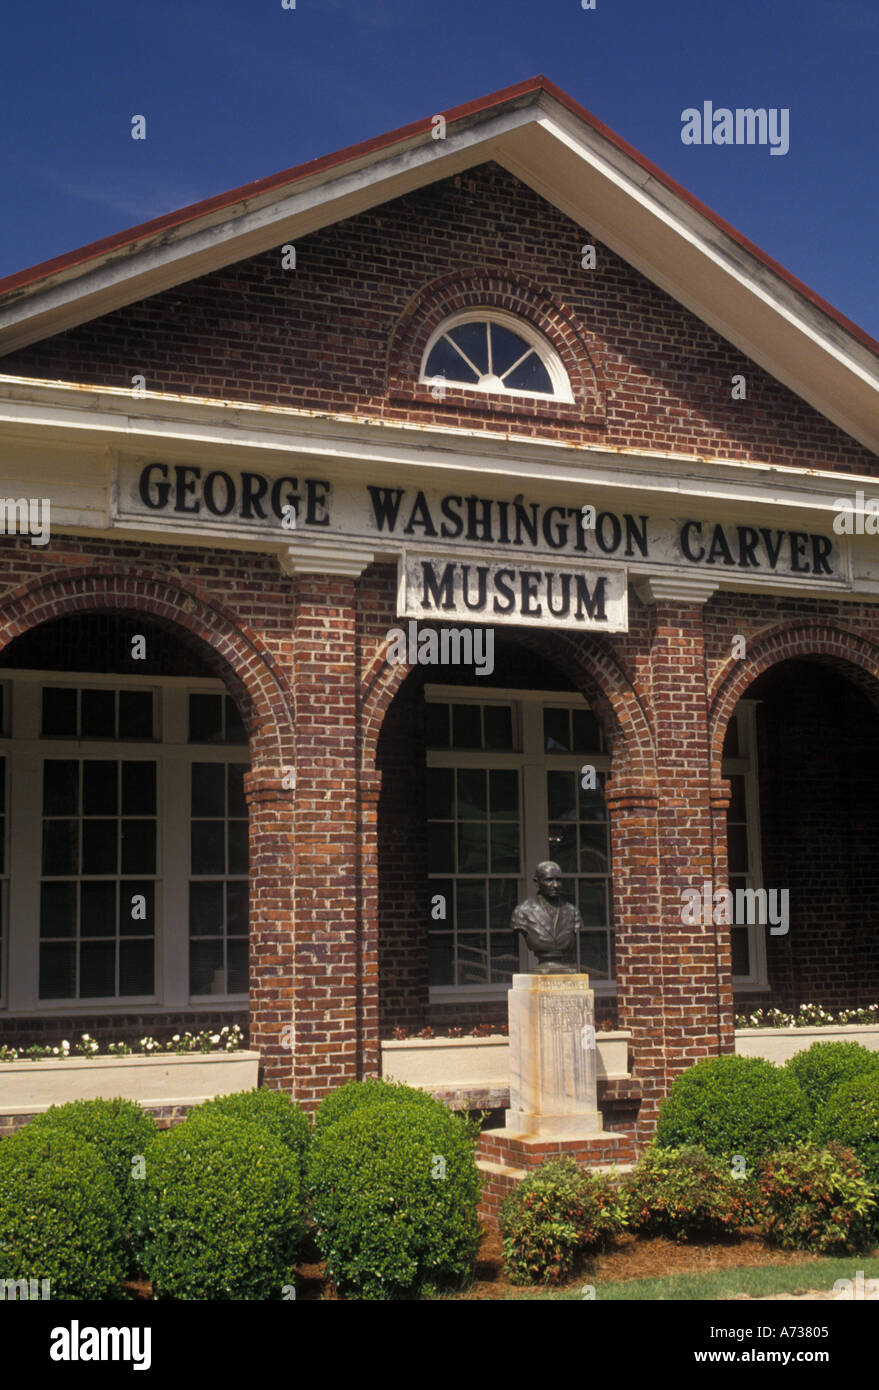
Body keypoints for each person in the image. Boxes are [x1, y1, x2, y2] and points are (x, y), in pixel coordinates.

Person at [511, 861, 583, 974]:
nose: (555, 885)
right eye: (549, 880)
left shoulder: (572, 911)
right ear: (536, 882)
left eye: (558, 880)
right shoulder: (523, 912)